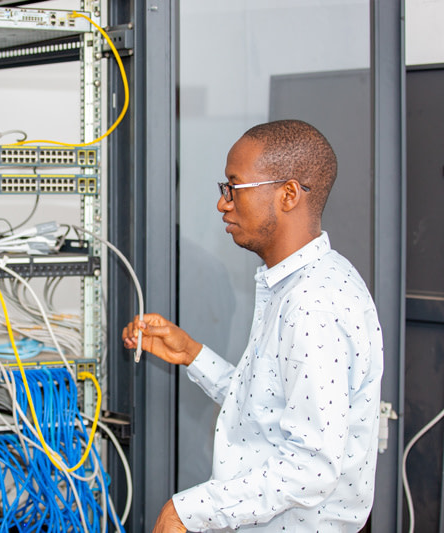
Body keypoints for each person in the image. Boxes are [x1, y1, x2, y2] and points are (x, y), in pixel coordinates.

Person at [123, 120, 383, 532]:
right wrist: (192, 355)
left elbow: (312, 465)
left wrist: (186, 512)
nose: (222, 204)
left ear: (288, 194)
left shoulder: (312, 303)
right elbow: (271, 410)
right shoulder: (299, 283)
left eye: (234, 187)